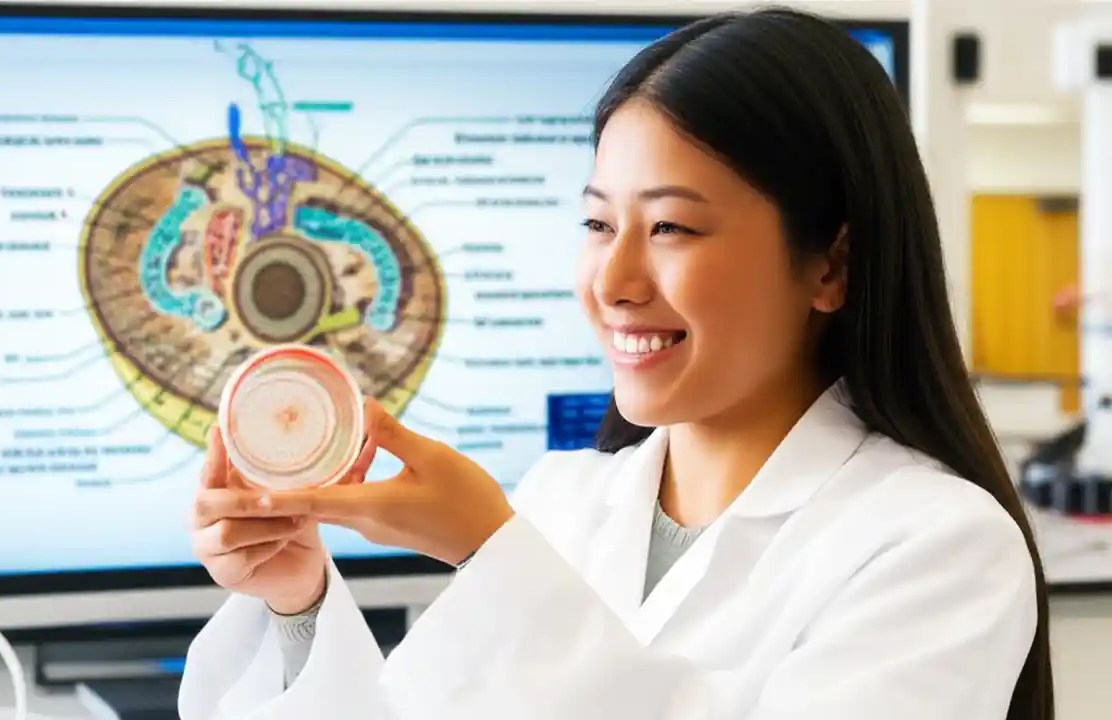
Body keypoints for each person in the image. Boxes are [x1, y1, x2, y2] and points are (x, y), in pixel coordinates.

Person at [178, 8, 1053, 720]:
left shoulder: (940, 546)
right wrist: (296, 602)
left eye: (671, 226)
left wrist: (490, 557)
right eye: (599, 224)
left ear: (830, 266)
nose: (614, 282)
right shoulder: (564, 503)